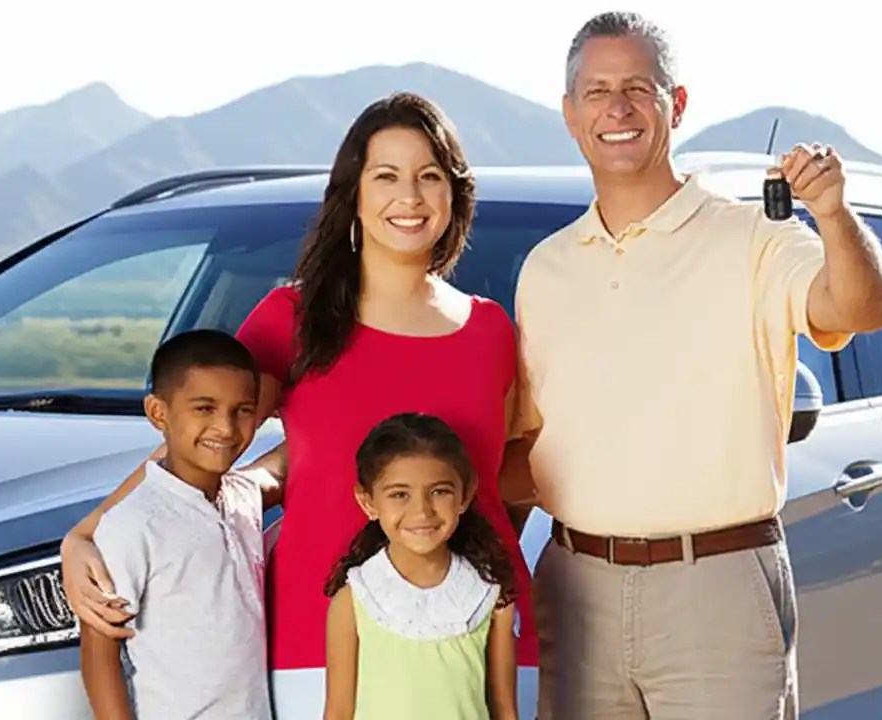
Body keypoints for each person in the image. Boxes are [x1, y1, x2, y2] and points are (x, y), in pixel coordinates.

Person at [61, 91, 541, 718]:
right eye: (387, 176)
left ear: (455, 194)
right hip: (317, 637)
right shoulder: (294, 319)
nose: (411, 196)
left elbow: (512, 478)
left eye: (430, 176)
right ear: (354, 193)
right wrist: (87, 533)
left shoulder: (490, 331)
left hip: (478, 634)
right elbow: (200, 446)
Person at [513, 11, 882, 720]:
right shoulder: (545, 270)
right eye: (596, 91)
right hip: (573, 586)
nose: (617, 108)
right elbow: (528, 442)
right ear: (570, 114)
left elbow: (861, 308)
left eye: (638, 86)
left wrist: (834, 215)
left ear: (676, 104)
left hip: (715, 585)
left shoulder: (756, 240)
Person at [78, 328, 280, 719]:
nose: (225, 427)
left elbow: (293, 464)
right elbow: (99, 648)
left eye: (242, 410)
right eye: (204, 408)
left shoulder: (243, 497)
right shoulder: (134, 524)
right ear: (159, 413)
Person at [322, 412, 519, 720]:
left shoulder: (491, 598)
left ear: (464, 495)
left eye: (439, 492)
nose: (422, 511)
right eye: (400, 494)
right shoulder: (354, 601)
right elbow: (337, 713)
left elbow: (505, 712)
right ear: (368, 502)